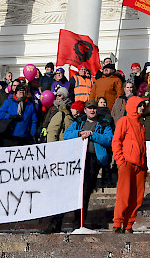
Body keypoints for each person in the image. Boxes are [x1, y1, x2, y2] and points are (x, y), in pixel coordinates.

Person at [47, 99, 114, 233]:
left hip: (93, 161)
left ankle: (78, 223)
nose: (92, 110)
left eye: (94, 108)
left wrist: (93, 135)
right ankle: (56, 222)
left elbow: (109, 139)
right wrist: (80, 134)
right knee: (67, 191)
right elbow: (67, 135)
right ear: (85, 110)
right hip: (77, 160)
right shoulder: (79, 122)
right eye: (90, 108)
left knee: (85, 193)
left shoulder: (104, 123)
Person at [111, 98, 147, 233]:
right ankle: (117, 223)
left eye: (143, 105)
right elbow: (116, 141)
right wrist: (120, 161)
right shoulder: (124, 121)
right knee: (124, 195)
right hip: (127, 164)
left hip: (140, 166)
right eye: (139, 105)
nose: (142, 108)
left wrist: (144, 165)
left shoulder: (141, 126)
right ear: (133, 106)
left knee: (137, 199)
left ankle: (128, 225)